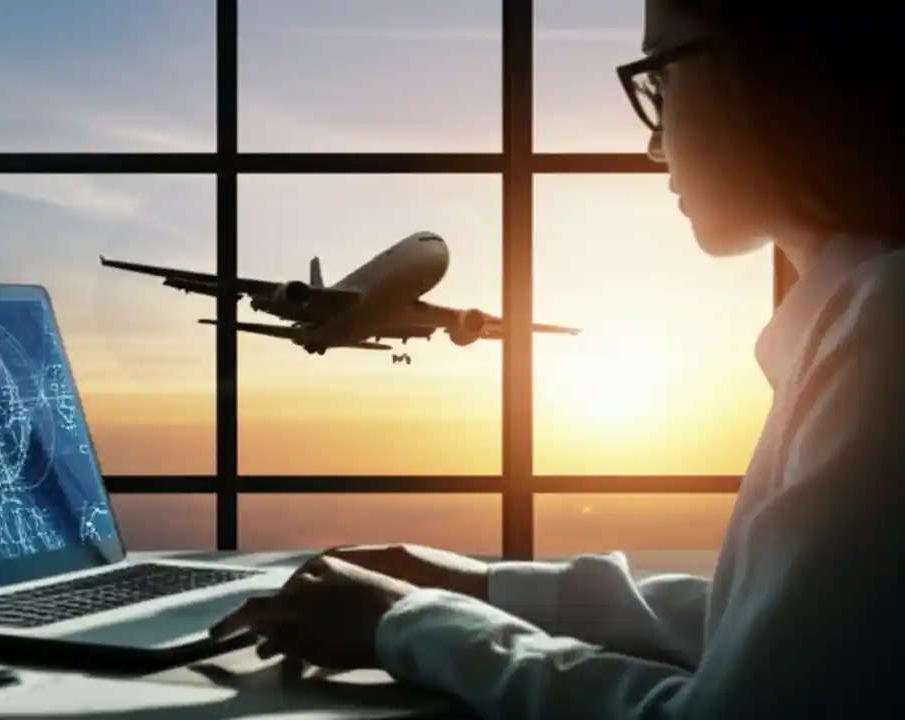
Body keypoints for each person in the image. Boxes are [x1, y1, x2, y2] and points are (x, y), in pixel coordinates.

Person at [210, 1, 905, 717]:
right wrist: (484, 586)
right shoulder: (861, 321)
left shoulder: (885, 334)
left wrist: (408, 623)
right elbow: (769, 632)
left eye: (661, 80)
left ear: (779, 64)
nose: (653, 145)